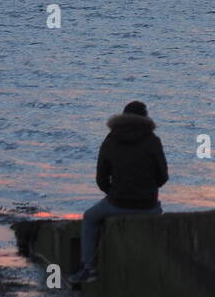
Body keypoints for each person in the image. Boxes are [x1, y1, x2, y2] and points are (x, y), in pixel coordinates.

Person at [69, 101, 168, 284]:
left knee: (90, 218)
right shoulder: (153, 141)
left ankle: (89, 268)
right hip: (147, 206)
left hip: (117, 203)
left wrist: (114, 194)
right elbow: (163, 177)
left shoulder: (110, 140)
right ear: (146, 118)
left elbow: (101, 180)